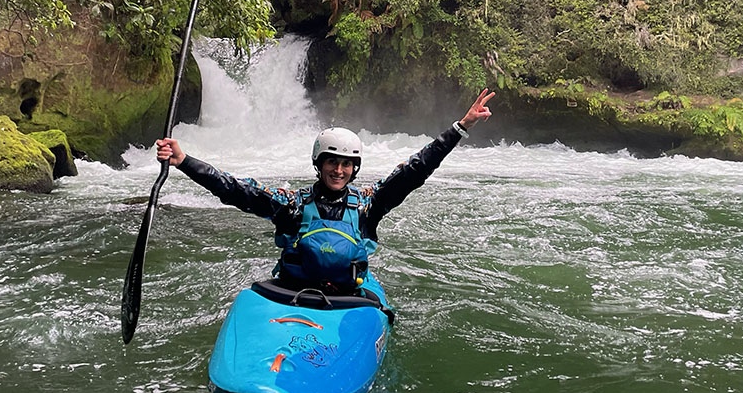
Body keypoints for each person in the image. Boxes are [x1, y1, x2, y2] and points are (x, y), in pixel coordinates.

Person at [155, 89, 495, 295]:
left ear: (354, 169)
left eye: (346, 164)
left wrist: (460, 127)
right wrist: (184, 161)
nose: (339, 170)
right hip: (290, 293)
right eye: (332, 162)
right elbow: (234, 190)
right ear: (319, 164)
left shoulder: (368, 205)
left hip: (349, 297)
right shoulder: (291, 204)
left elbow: (416, 170)